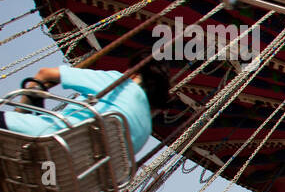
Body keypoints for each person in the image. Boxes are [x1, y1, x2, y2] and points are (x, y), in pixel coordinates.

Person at [2, 61, 169, 156]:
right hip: (70, 181)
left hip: (45, 140)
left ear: (133, 73)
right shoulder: (145, 130)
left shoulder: (119, 84)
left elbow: (44, 74)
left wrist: (19, 114)